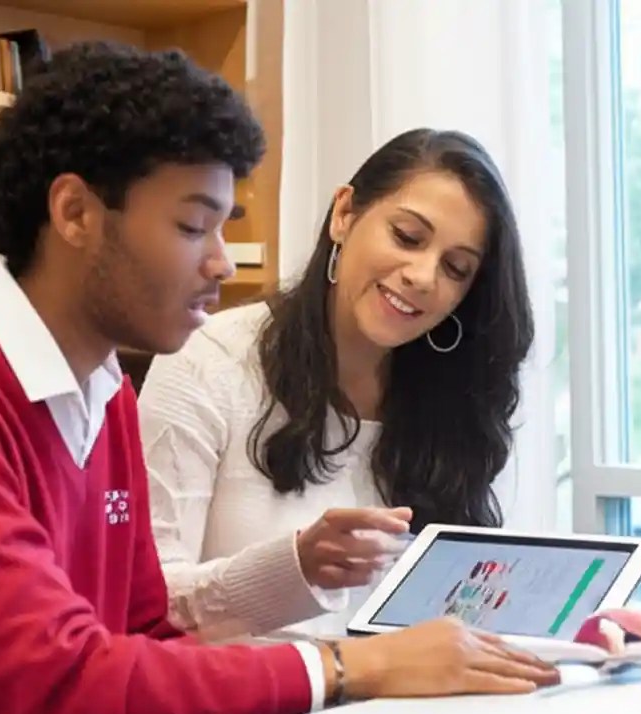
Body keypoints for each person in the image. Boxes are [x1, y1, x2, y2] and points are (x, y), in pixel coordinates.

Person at [0, 41, 556, 714]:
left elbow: (145, 635)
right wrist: (347, 667)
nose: (223, 263)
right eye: (194, 227)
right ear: (75, 213)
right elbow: (53, 683)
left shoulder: (103, 395)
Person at [136, 127, 535, 640]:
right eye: (407, 238)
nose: (423, 276)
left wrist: (589, 638)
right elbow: (149, 604)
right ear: (344, 213)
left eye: (456, 269)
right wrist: (295, 566)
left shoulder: (453, 402)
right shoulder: (208, 361)